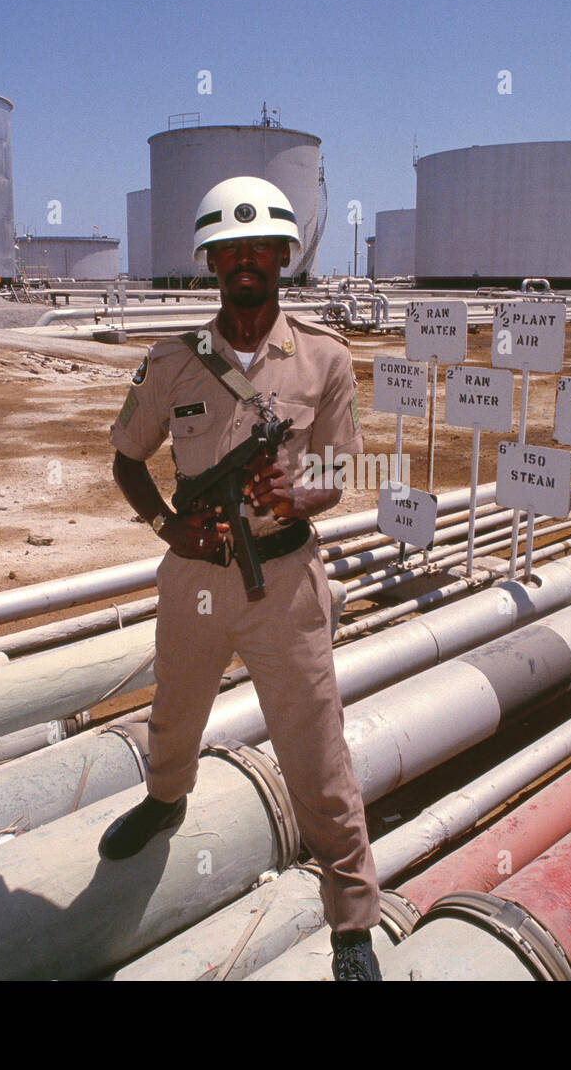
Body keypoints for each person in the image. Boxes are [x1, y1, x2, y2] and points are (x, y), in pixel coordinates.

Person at [99, 176, 382, 981]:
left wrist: (305, 492)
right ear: (211, 263)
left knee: (316, 748)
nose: (248, 261)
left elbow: (340, 469)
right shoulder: (170, 363)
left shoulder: (325, 357)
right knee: (174, 707)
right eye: (232, 249)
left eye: (263, 248)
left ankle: (352, 916)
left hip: (285, 581)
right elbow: (125, 458)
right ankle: (165, 799)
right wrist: (166, 523)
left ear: (284, 258)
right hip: (192, 577)